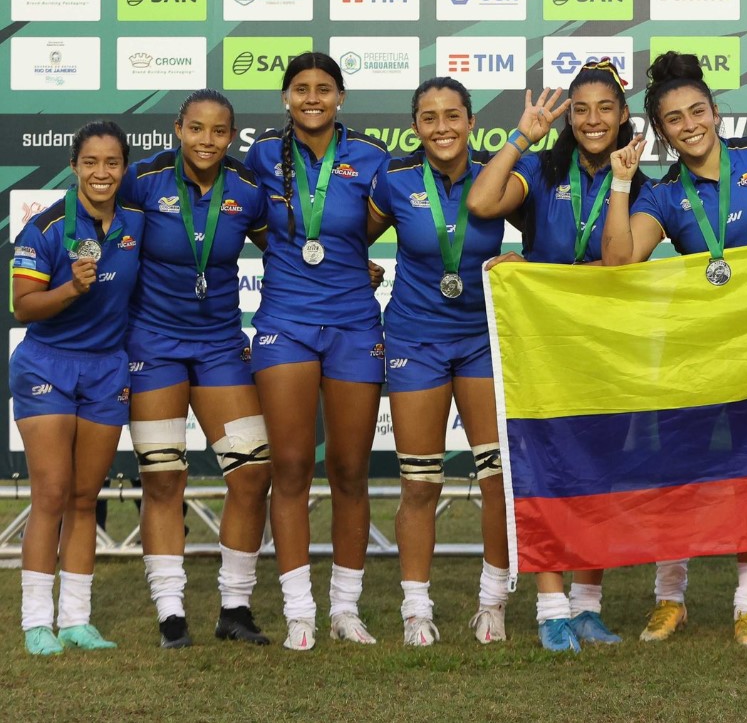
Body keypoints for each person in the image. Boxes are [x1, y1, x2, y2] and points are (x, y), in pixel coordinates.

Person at [601, 51, 747, 646]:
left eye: (698, 111)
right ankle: (670, 600)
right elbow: (618, 259)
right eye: (674, 118)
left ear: (716, 113)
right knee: (679, 475)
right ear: (661, 131)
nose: (689, 124)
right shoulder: (664, 195)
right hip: (692, 350)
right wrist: (620, 180)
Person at [470, 60, 645, 652]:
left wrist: (544, 272)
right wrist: (523, 135)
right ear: (568, 116)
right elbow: (481, 202)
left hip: (610, 342)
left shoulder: (642, 181)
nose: (592, 119)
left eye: (604, 108)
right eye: (580, 109)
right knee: (544, 467)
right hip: (541, 342)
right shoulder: (544, 170)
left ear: (624, 116)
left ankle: (587, 607)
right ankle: (550, 607)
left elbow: (624, 265)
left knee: (599, 472)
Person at [244, 52, 392, 650]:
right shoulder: (258, 157)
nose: (312, 98)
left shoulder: (371, 157)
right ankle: (299, 608)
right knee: (292, 468)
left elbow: (375, 224)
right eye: (301, 89)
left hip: (356, 323)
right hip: (285, 324)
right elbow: (249, 224)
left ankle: (346, 609)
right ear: (285, 98)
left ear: (341, 98)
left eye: (324, 89)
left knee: (351, 471)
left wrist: (354, 262)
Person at [122, 90, 273, 648]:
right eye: (196, 129)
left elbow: (284, 246)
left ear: (231, 137)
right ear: (178, 128)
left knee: (252, 472)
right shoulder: (142, 180)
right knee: (164, 477)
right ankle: (171, 614)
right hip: (153, 347)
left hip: (218, 347)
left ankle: (234, 607)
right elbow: (90, 228)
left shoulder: (248, 190)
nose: (206, 141)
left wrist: (357, 272)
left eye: (218, 131)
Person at [365, 77, 507, 647]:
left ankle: (493, 602)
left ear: (471, 122)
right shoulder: (395, 178)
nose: (442, 127)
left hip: (482, 340)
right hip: (415, 340)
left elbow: (546, 234)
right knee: (421, 483)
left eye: (453, 116)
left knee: (498, 480)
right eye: (429, 117)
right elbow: (353, 238)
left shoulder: (498, 173)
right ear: (415, 126)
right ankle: (416, 609)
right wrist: (360, 269)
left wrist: (527, 262)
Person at [12, 121, 140, 654]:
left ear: (124, 169)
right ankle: (37, 621)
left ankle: (78, 620)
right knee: (51, 494)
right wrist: (69, 289)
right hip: (47, 366)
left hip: (108, 369)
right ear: (74, 166)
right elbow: (23, 306)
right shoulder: (44, 227)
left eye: (112, 163)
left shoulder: (137, 222)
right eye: (91, 162)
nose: (102, 173)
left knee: (85, 498)